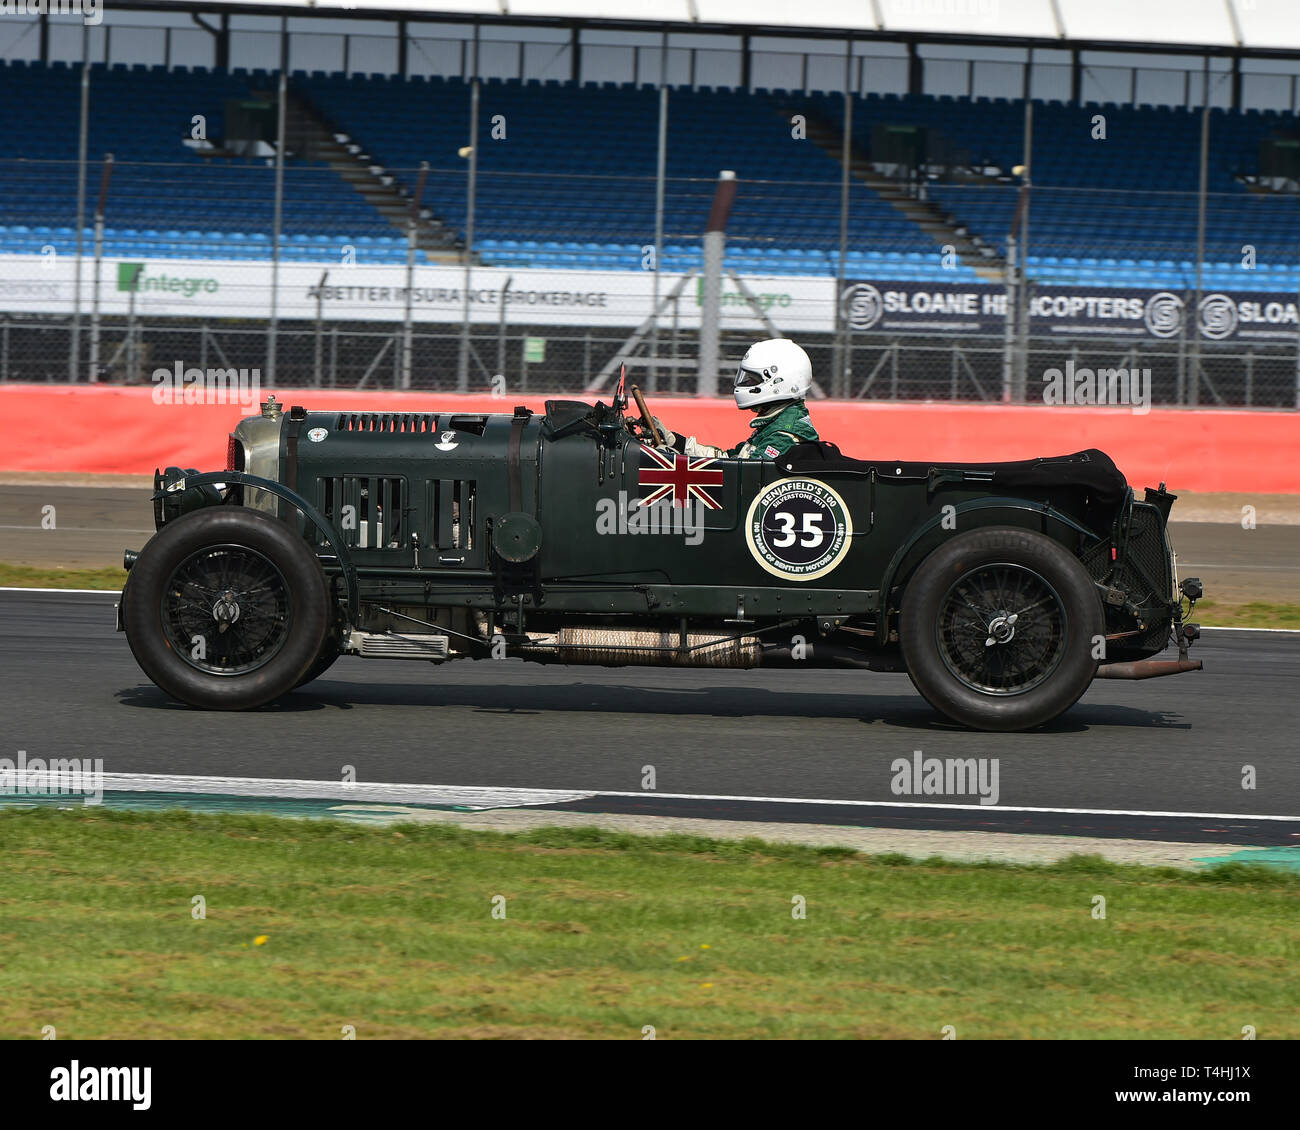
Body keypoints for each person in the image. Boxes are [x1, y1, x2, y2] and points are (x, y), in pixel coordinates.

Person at [652, 339, 819, 460]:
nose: (745, 384)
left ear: (779, 382)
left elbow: (743, 478)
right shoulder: (776, 422)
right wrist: (679, 444)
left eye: (753, 380)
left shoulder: (783, 435)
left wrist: (677, 462)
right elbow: (730, 458)